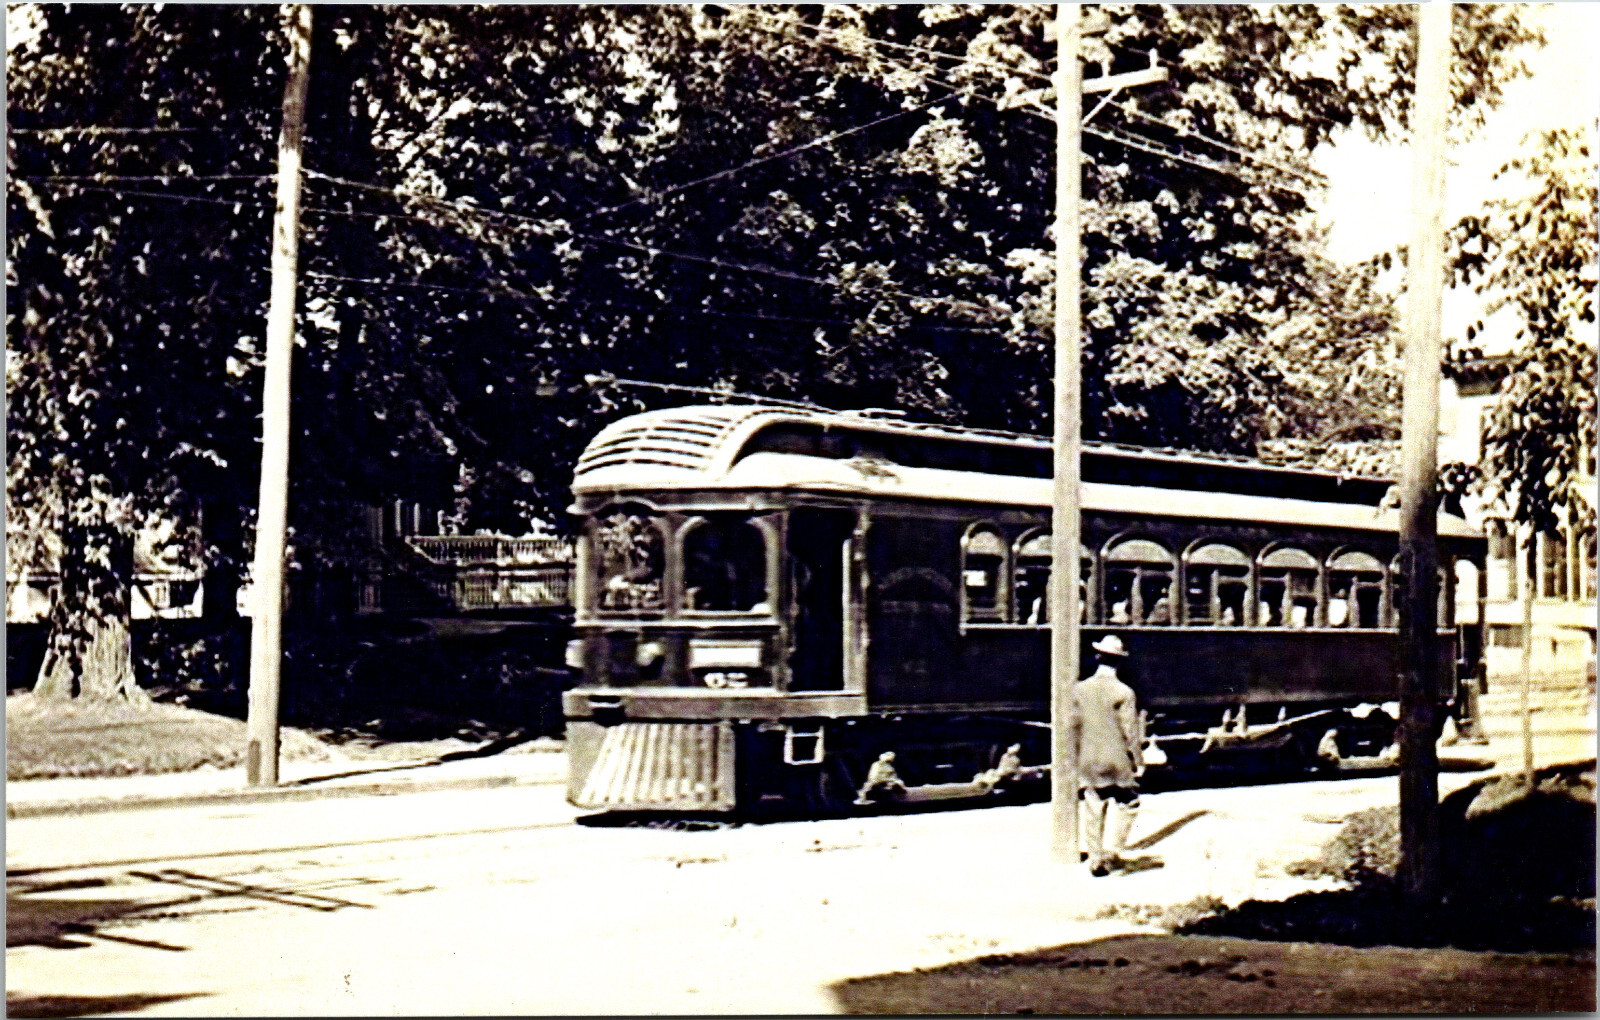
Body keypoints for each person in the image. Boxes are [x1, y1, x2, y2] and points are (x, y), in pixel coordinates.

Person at [1070, 634, 1144, 876]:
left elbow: (1074, 726)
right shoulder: (1124, 692)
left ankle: (1094, 859)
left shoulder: (1080, 690)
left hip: (1089, 760)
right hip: (1117, 761)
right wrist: (1138, 761)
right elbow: (1130, 732)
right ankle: (1112, 852)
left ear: (1097, 657)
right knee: (1129, 802)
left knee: (1093, 804)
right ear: (1119, 662)